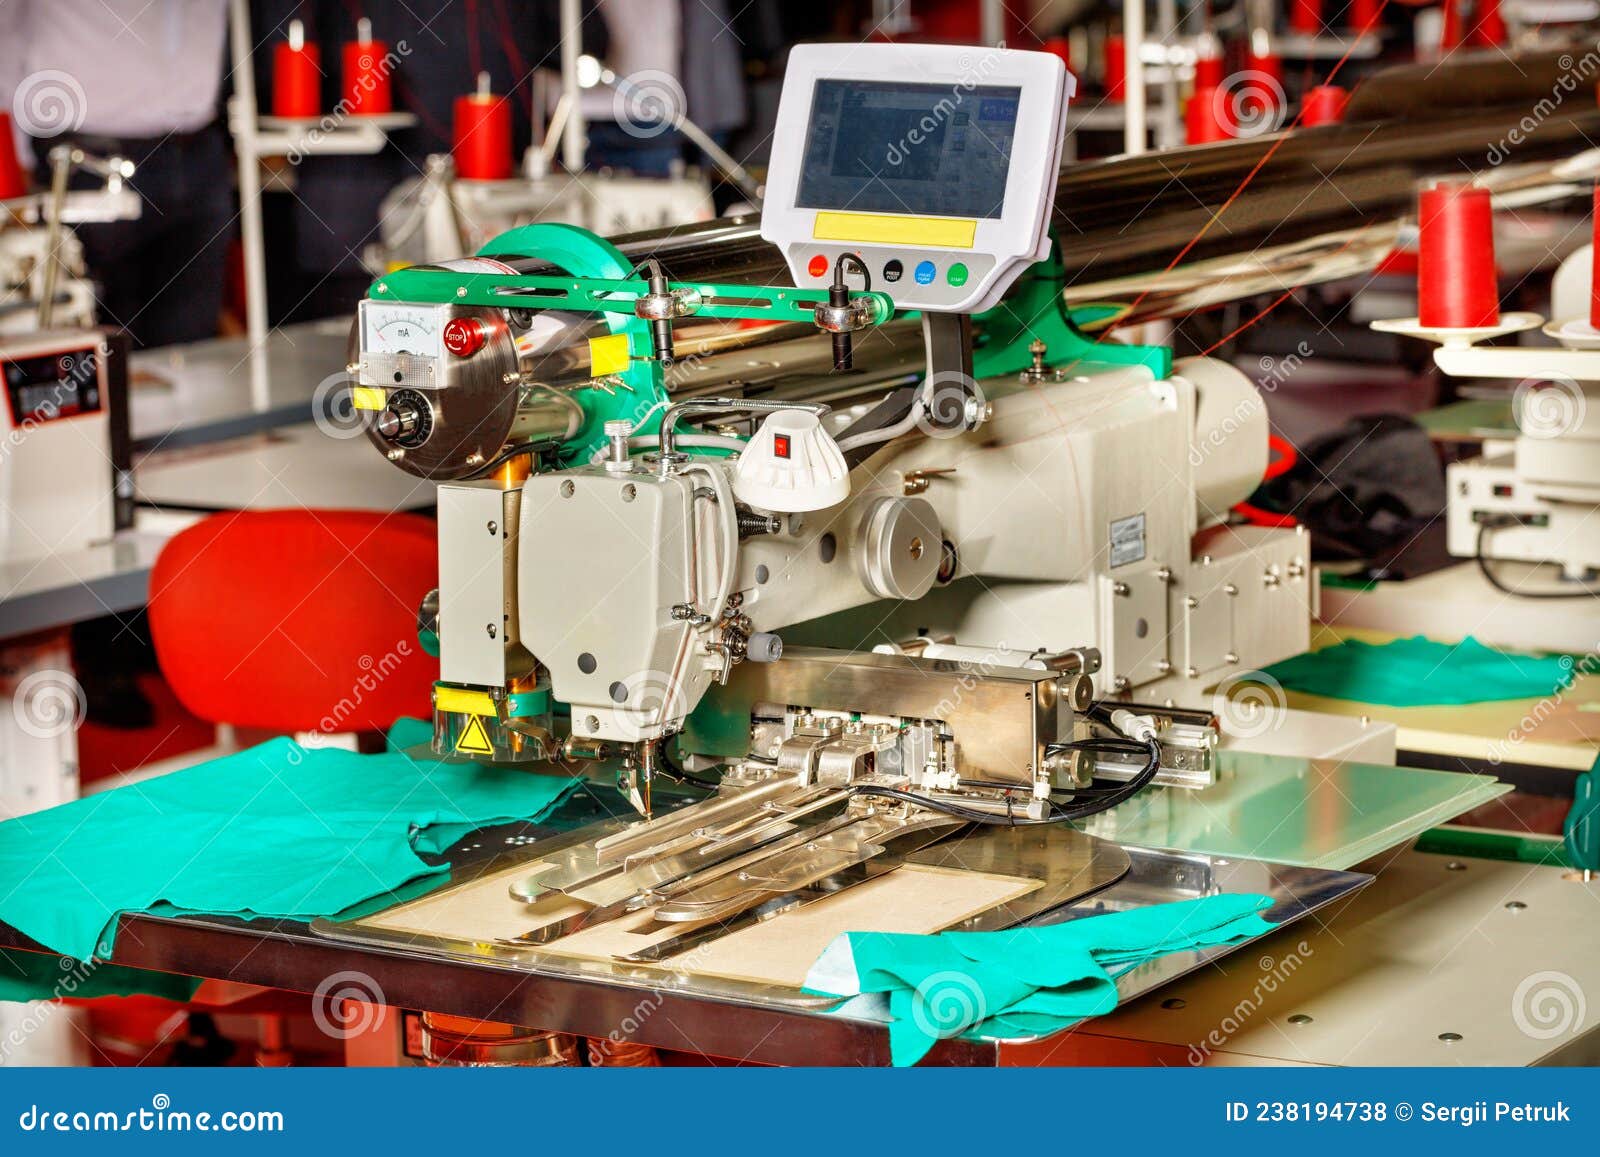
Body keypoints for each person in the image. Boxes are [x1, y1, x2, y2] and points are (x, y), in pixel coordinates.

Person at [0, 1, 233, 348]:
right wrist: (18, 158)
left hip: (199, 153)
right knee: (93, 353)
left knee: (192, 351)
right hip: (87, 161)